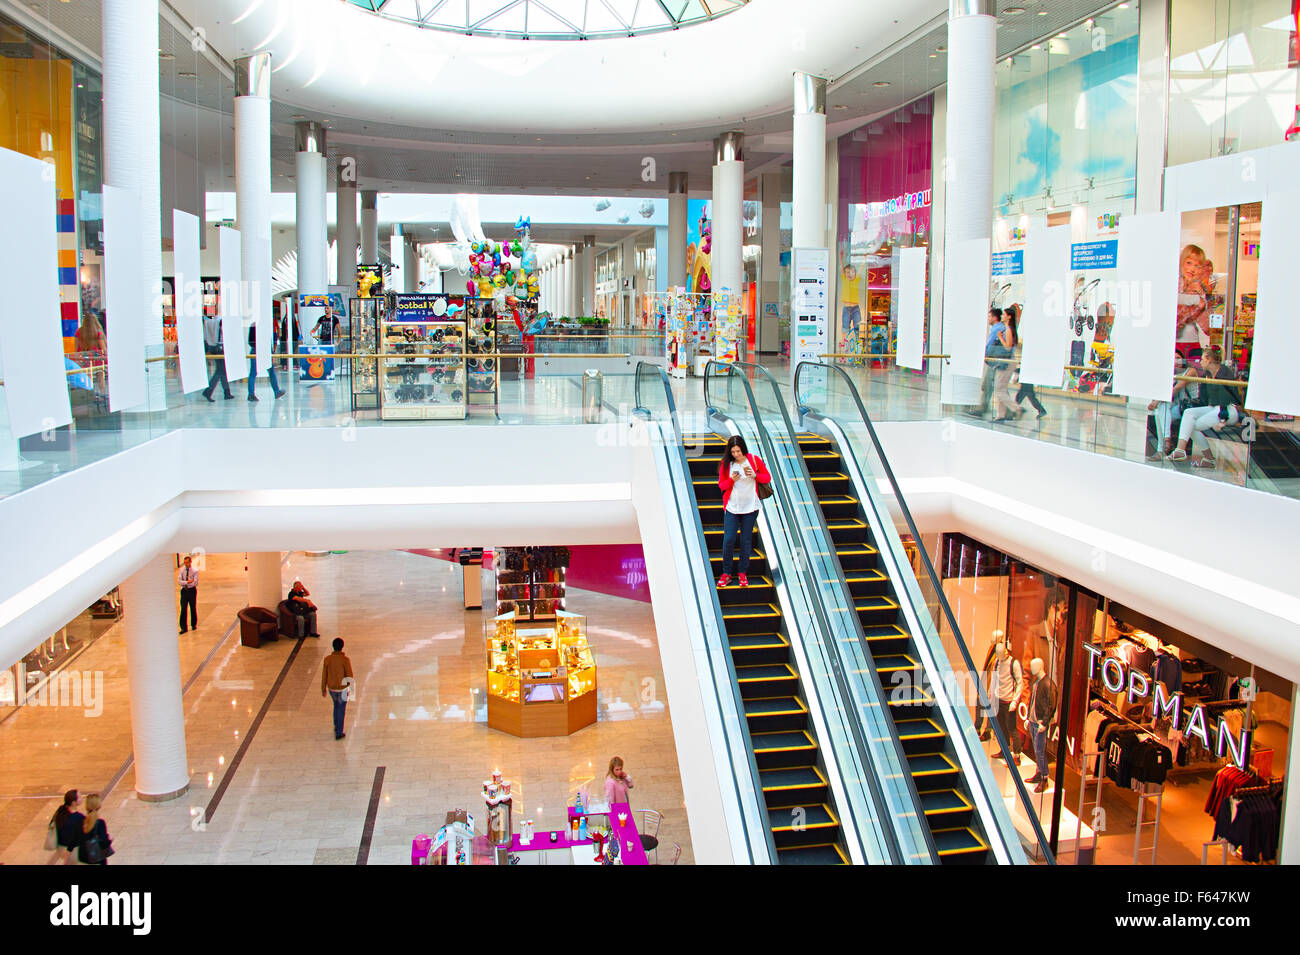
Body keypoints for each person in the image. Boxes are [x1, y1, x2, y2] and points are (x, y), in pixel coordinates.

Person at [1167, 345, 1241, 467]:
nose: (1200, 362)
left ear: (1209, 359)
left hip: (1228, 411)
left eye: (1202, 359)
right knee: (1188, 414)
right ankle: (1180, 450)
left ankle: (1209, 458)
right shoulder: (1207, 374)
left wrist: (1222, 420)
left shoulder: (1224, 372)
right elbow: (1204, 400)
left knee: (1192, 426)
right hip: (1215, 408)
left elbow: (1225, 399)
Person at [716, 434, 770, 589]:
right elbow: (722, 486)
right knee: (729, 539)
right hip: (732, 507)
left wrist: (755, 475)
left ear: (743, 449)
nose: (736, 455)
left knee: (746, 540)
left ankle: (742, 573)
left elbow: (767, 478)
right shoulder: (726, 464)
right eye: (733, 452)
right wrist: (732, 479)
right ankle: (726, 573)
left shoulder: (753, 460)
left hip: (751, 507)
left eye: (738, 451)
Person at [1147, 350, 1196, 459]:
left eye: (1178, 358)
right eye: (1173, 359)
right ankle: (1166, 440)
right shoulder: (1170, 373)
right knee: (1160, 408)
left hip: (1189, 407)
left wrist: (1156, 401)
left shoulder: (1190, 371)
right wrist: (1156, 400)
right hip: (1176, 407)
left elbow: (1177, 388)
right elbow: (1163, 391)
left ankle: (1161, 449)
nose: (1176, 361)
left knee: (1160, 408)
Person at [985, 638, 1023, 766]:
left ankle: (1017, 755)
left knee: (1012, 728)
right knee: (1001, 727)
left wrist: (1015, 701)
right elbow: (994, 679)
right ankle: (1004, 749)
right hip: (998, 699)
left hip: (1008, 701)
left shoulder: (1014, 663)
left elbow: (1020, 683)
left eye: (1002, 655)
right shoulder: (997, 662)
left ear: (1006, 652)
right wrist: (991, 694)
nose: (1000, 657)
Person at [1025, 658, 1058, 793]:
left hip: (1040, 723)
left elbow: (1051, 705)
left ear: (1040, 667)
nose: (1032, 669)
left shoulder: (1048, 684)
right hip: (1033, 721)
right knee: (1036, 749)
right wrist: (1028, 718)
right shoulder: (1037, 682)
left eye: (1034, 666)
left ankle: (1044, 777)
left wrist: (1044, 722)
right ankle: (1039, 773)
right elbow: (1032, 701)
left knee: (1039, 750)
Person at [321, 637, 354, 740]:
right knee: (341, 709)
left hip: (332, 688)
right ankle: (339, 732)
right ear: (342, 647)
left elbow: (324, 675)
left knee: (336, 705)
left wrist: (323, 688)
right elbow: (349, 675)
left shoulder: (327, 659)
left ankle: (336, 725)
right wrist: (350, 689)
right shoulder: (345, 660)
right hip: (342, 689)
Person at [991, 305, 1020, 422]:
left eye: (1003, 315)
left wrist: (1000, 337)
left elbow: (1008, 347)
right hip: (1005, 361)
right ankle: (1000, 414)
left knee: (999, 389)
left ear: (1009, 317)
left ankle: (1016, 408)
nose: (1002, 316)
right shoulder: (1008, 329)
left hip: (1006, 362)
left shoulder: (1008, 330)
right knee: (1000, 388)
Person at [247, 324, 285, 401]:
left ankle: (251, 394)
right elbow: (270, 339)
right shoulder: (266, 324)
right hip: (265, 350)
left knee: (253, 373)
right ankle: (276, 391)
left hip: (256, 350)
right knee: (271, 371)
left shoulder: (253, 325)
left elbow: (250, 341)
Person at [201, 311, 233, 401]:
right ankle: (208, 391)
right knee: (220, 371)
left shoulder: (208, 322)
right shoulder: (221, 321)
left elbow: (205, 337)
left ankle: (227, 392)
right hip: (220, 348)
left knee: (222, 370)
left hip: (212, 347)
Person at [76, 793, 112, 865]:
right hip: (97, 859)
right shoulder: (100, 823)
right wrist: (110, 840)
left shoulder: (81, 821)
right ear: (99, 805)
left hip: (83, 858)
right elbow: (104, 843)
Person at [49, 790, 82, 865]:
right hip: (72, 850)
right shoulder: (78, 817)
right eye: (79, 797)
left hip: (60, 847)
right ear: (73, 802)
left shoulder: (60, 811)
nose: (82, 798)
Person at [177, 555, 199, 634]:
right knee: (183, 609)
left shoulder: (195, 571)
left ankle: (193, 624)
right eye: (185, 562)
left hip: (192, 591)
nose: (186, 564)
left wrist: (189, 583)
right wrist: (187, 582)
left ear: (190, 562)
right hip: (184, 591)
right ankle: (183, 627)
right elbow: (179, 581)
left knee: (192, 608)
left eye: (187, 562)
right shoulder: (181, 570)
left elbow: (195, 582)